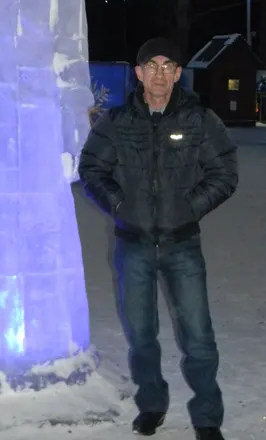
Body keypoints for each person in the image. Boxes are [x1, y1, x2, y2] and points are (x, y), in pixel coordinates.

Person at [79, 38, 238, 440]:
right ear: (138, 73)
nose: (160, 74)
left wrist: (190, 207)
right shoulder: (116, 121)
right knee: (142, 335)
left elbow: (225, 172)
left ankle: (207, 417)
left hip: (182, 244)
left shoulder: (199, 119)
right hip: (132, 244)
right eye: (152, 66)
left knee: (198, 336)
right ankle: (151, 404)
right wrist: (120, 205)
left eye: (168, 66)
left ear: (179, 73)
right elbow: (92, 168)